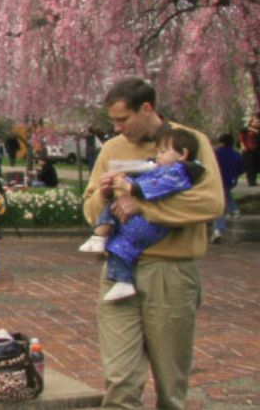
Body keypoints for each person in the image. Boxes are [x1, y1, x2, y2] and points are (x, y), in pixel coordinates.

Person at [82, 78, 223, 409]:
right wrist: (103, 194)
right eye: (113, 120)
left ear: (147, 109)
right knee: (121, 381)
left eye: (123, 119)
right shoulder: (113, 149)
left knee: (171, 386)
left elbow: (210, 203)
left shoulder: (190, 142)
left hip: (169, 272)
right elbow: (91, 211)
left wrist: (144, 205)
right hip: (118, 270)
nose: (117, 128)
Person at [81, 127, 206, 302]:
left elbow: (155, 187)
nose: (158, 156)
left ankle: (100, 237)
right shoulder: (114, 147)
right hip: (143, 235)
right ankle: (122, 281)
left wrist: (129, 187)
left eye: (163, 152)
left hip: (158, 248)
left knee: (119, 241)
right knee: (119, 245)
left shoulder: (177, 172)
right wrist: (109, 189)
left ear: (183, 154)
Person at [212, 133, 244, 243]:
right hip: (231, 180)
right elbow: (241, 168)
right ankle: (234, 211)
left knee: (221, 204)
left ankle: (218, 229)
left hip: (218, 180)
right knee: (225, 195)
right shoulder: (236, 154)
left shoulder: (217, 153)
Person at [240, 115, 260, 187]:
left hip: (257, 151)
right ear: (251, 123)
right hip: (248, 151)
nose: (257, 123)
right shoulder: (245, 130)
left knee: (255, 167)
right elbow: (241, 138)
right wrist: (243, 146)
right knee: (250, 167)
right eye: (255, 122)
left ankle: (253, 180)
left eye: (258, 121)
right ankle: (251, 181)